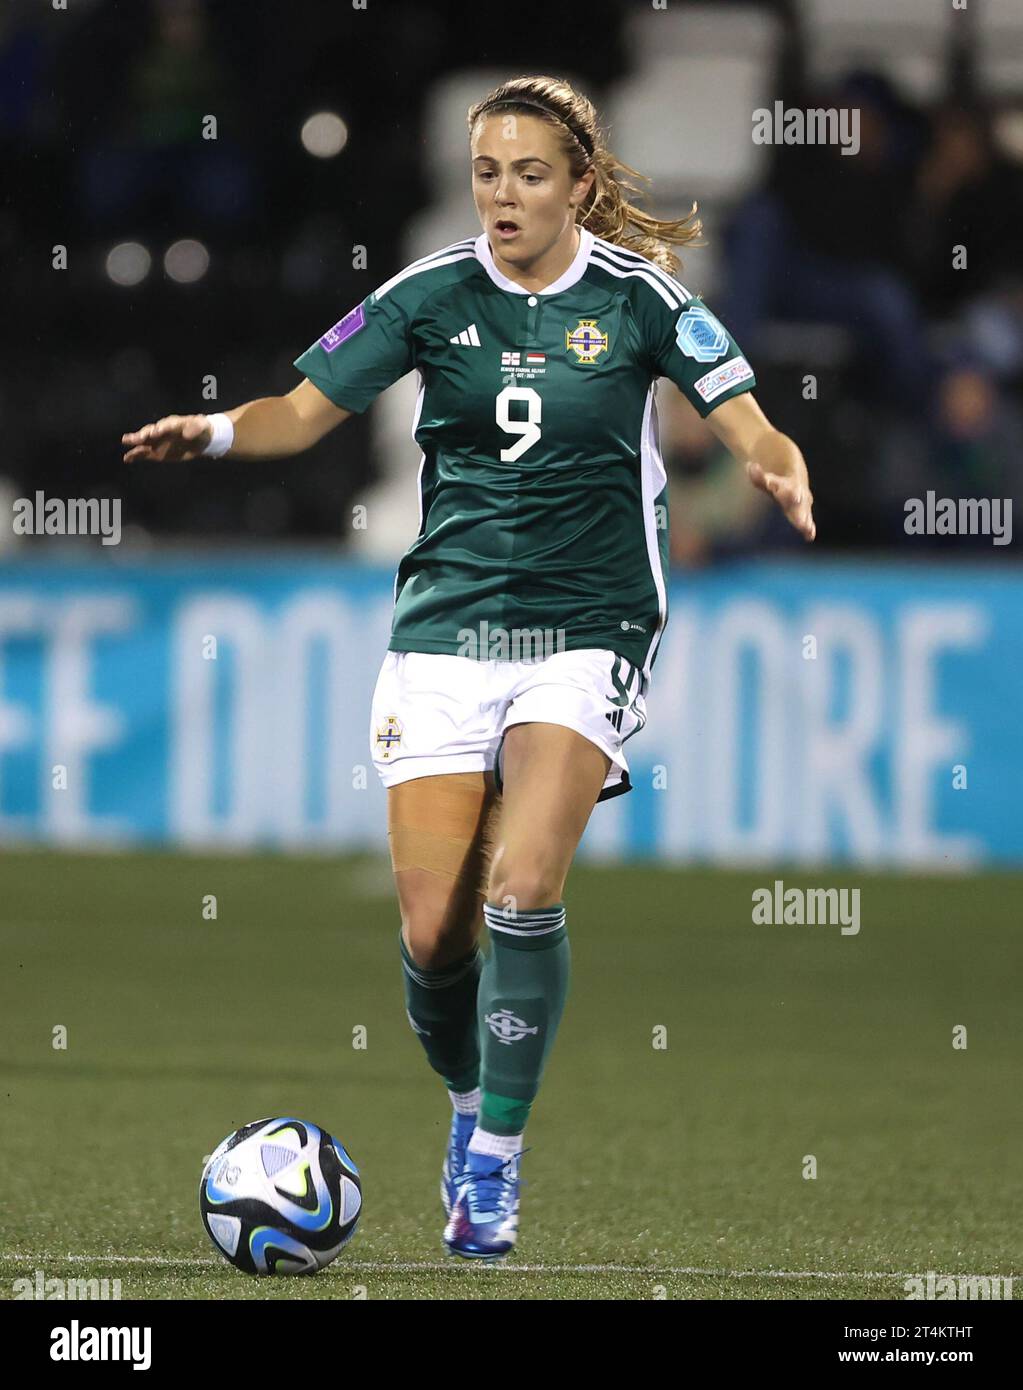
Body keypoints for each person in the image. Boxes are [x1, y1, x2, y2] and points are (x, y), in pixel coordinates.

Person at [122, 74, 815, 1261]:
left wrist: (774, 460)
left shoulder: (641, 300)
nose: (502, 194)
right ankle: (463, 1105)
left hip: (588, 624)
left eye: (529, 174)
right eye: (488, 171)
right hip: (447, 626)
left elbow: (744, 406)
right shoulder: (429, 294)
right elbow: (303, 409)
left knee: (524, 884)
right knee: (438, 931)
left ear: (580, 188)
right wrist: (222, 431)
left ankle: (495, 1163)